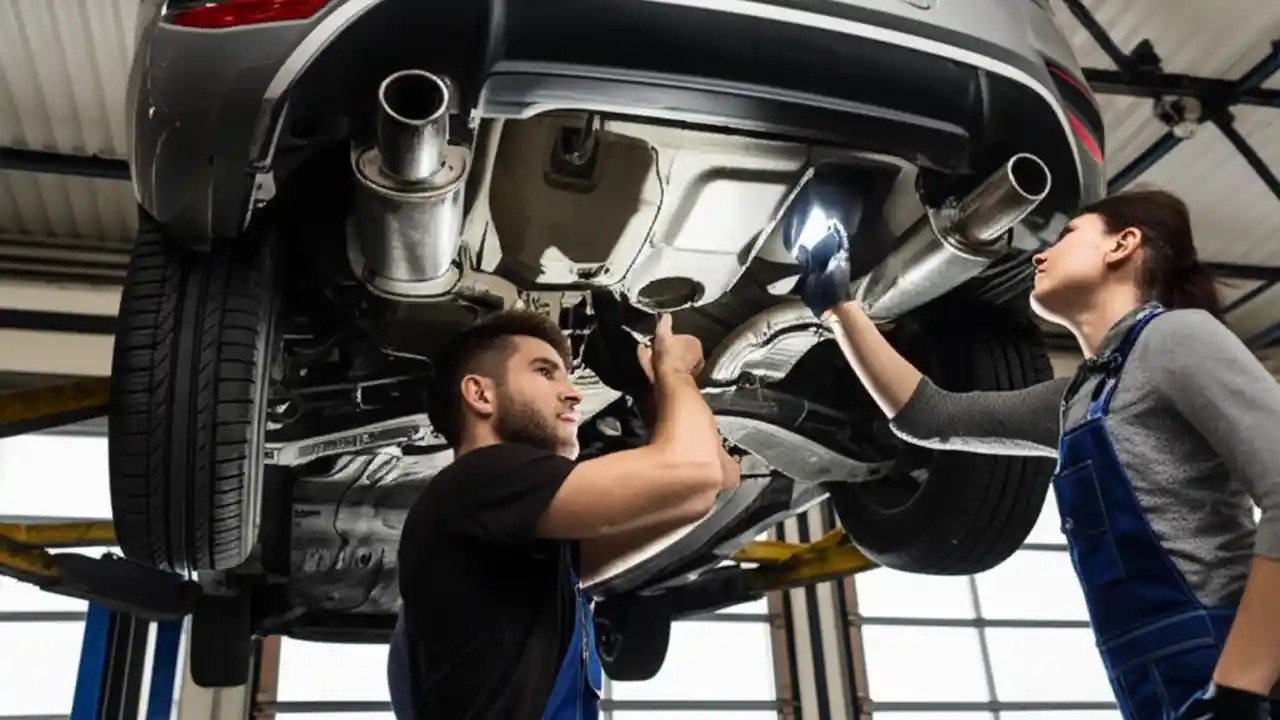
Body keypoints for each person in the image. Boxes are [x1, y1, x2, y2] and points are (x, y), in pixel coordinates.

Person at [784, 187, 1280, 719]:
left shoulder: (1177, 337)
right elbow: (931, 418)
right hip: (1150, 684)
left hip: (1234, 664)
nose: (1040, 254)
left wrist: (1238, 691)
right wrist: (840, 310)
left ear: (1123, 245)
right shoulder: (1078, 400)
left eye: (1068, 235)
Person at [386, 308, 740, 719]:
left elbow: (709, 484)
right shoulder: (479, 480)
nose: (574, 394)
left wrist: (648, 389)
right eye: (545, 372)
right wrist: (672, 371)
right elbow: (698, 476)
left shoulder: (512, 533)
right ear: (481, 395)